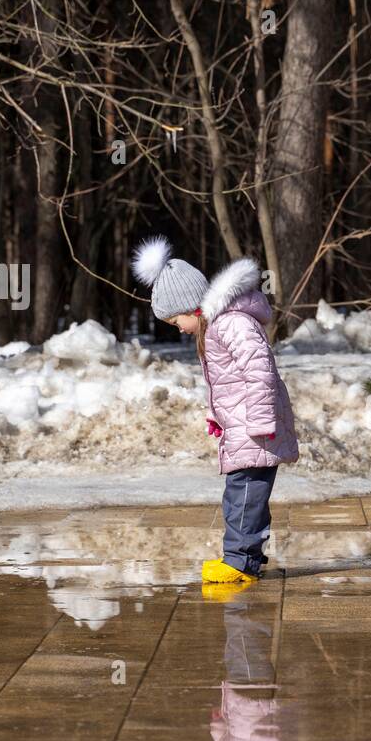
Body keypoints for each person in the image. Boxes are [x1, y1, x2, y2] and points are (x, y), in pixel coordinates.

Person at [133, 237, 298, 583]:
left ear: (193, 307)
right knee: (246, 495)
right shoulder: (216, 327)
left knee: (242, 497)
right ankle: (247, 558)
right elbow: (226, 383)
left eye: (175, 319)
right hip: (243, 426)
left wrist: (261, 420)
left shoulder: (230, 323)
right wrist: (216, 415)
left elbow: (259, 371)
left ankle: (238, 562)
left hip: (256, 429)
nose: (176, 327)